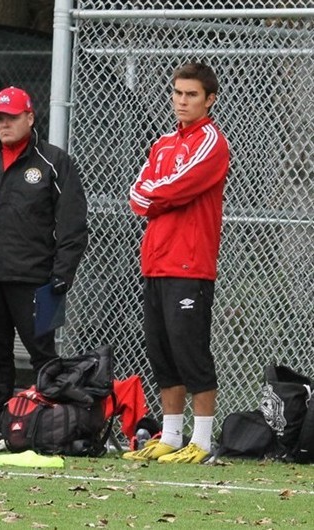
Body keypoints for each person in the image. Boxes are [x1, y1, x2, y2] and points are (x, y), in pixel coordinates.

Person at [123, 63, 230, 464]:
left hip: (190, 265)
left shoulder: (211, 142)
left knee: (191, 352)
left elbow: (176, 187)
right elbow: (137, 194)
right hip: (155, 262)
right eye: (178, 93)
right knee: (161, 351)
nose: (182, 101)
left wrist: (157, 195)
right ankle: (171, 434)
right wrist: (157, 195)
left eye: (192, 95)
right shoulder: (163, 143)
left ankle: (201, 442)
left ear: (209, 100)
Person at [0, 86, 88, 432]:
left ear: (29, 117)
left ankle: (49, 423)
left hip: (37, 275)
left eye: (11, 117)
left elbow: (73, 223)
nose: (4, 124)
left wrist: (63, 273)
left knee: (42, 355)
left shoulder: (53, 161)